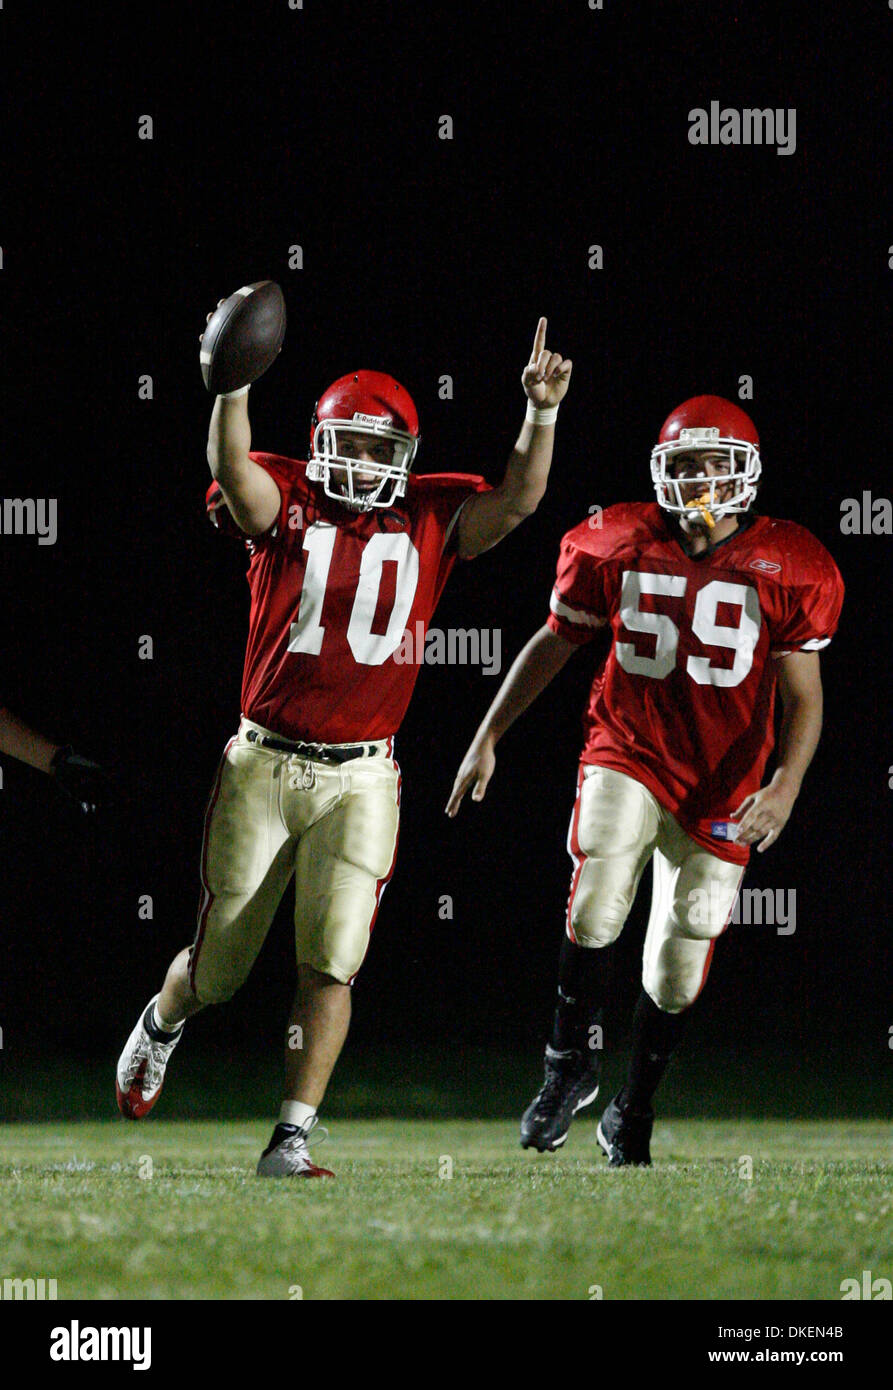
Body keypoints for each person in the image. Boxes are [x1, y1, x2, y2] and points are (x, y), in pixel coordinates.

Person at [116, 313, 572, 1177]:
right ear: (322, 442)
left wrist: (539, 413)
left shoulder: (430, 518)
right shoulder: (284, 497)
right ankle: (161, 1023)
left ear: (401, 458)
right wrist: (233, 382)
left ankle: (289, 1139)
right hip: (262, 759)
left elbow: (518, 499)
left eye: (377, 449)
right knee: (218, 972)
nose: (361, 464)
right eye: (349, 445)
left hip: (363, 774)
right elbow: (231, 471)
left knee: (331, 965)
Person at [446, 395, 843, 1166]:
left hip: (724, 786)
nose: (698, 479)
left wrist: (786, 785)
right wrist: (487, 735)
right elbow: (552, 645)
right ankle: (566, 1064)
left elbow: (805, 700)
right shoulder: (615, 541)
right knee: (597, 890)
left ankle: (634, 1107)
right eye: (685, 464)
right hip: (627, 751)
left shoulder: (791, 564)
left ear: (743, 474)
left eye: (713, 464)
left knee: (679, 957)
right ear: (662, 471)